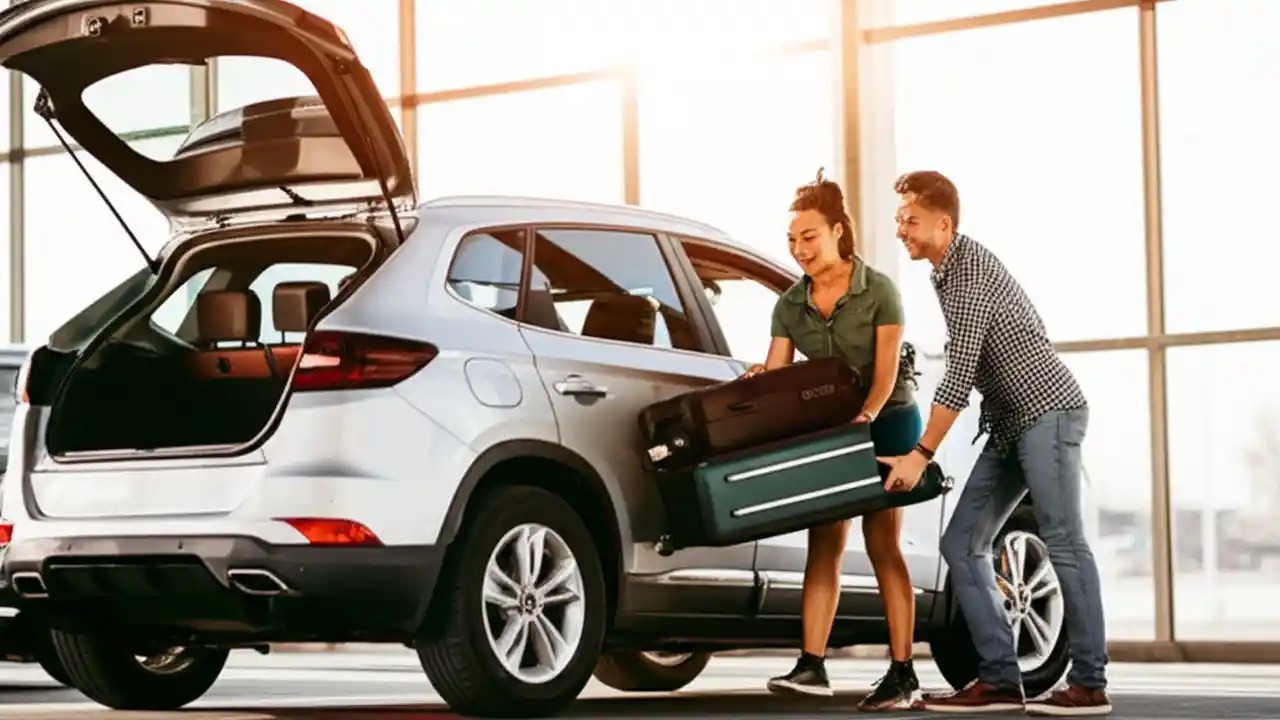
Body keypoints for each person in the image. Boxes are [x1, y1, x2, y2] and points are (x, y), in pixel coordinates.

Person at [878, 170, 1111, 716]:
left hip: (1049, 411)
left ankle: (1090, 683)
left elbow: (959, 372)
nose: (901, 231)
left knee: (1064, 541)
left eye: (910, 221)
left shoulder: (970, 270)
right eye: (898, 221)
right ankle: (1001, 680)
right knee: (961, 542)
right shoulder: (945, 272)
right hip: (1010, 422)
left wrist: (921, 453)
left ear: (944, 222)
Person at [748, 169, 923, 711]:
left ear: (838, 232)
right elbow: (780, 374)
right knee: (824, 542)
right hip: (833, 427)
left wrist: (866, 416)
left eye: (810, 237)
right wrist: (761, 381)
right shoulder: (788, 305)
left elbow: (887, 371)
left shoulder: (879, 291)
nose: (800, 249)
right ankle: (811, 665)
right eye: (792, 240)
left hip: (889, 418)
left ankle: (902, 673)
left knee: (882, 543)